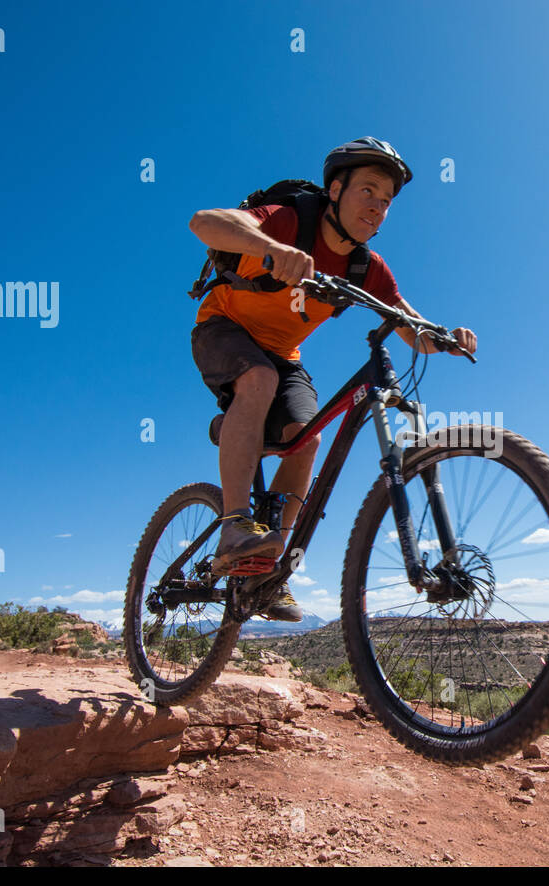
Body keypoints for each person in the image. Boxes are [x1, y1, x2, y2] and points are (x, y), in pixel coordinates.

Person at [188, 137, 477, 621]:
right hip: (223, 328)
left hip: (284, 355)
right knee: (256, 380)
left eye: (386, 201)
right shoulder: (289, 220)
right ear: (336, 189)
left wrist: (444, 337)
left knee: (307, 437)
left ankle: (267, 565)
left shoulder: (367, 268)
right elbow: (204, 223)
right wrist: (270, 247)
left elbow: (410, 327)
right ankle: (235, 524)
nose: (378, 207)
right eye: (368, 191)